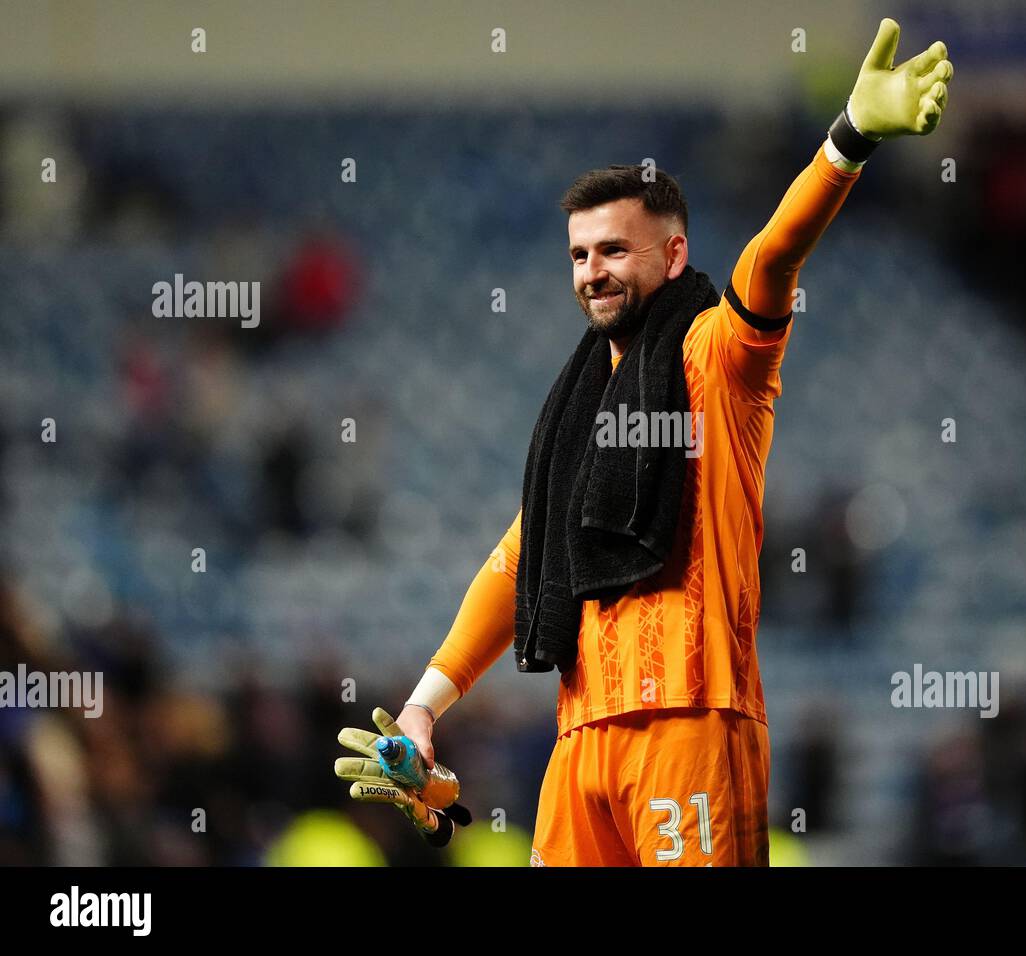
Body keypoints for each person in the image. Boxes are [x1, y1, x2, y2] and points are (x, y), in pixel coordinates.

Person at [338, 17, 952, 866]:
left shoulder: (715, 358)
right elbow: (522, 560)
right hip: (581, 736)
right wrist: (422, 709)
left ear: (674, 253)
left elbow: (773, 259)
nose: (592, 270)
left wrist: (845, 144)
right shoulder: (579, 414)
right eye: (580, 254)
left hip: (694, 723)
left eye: (614, 249)